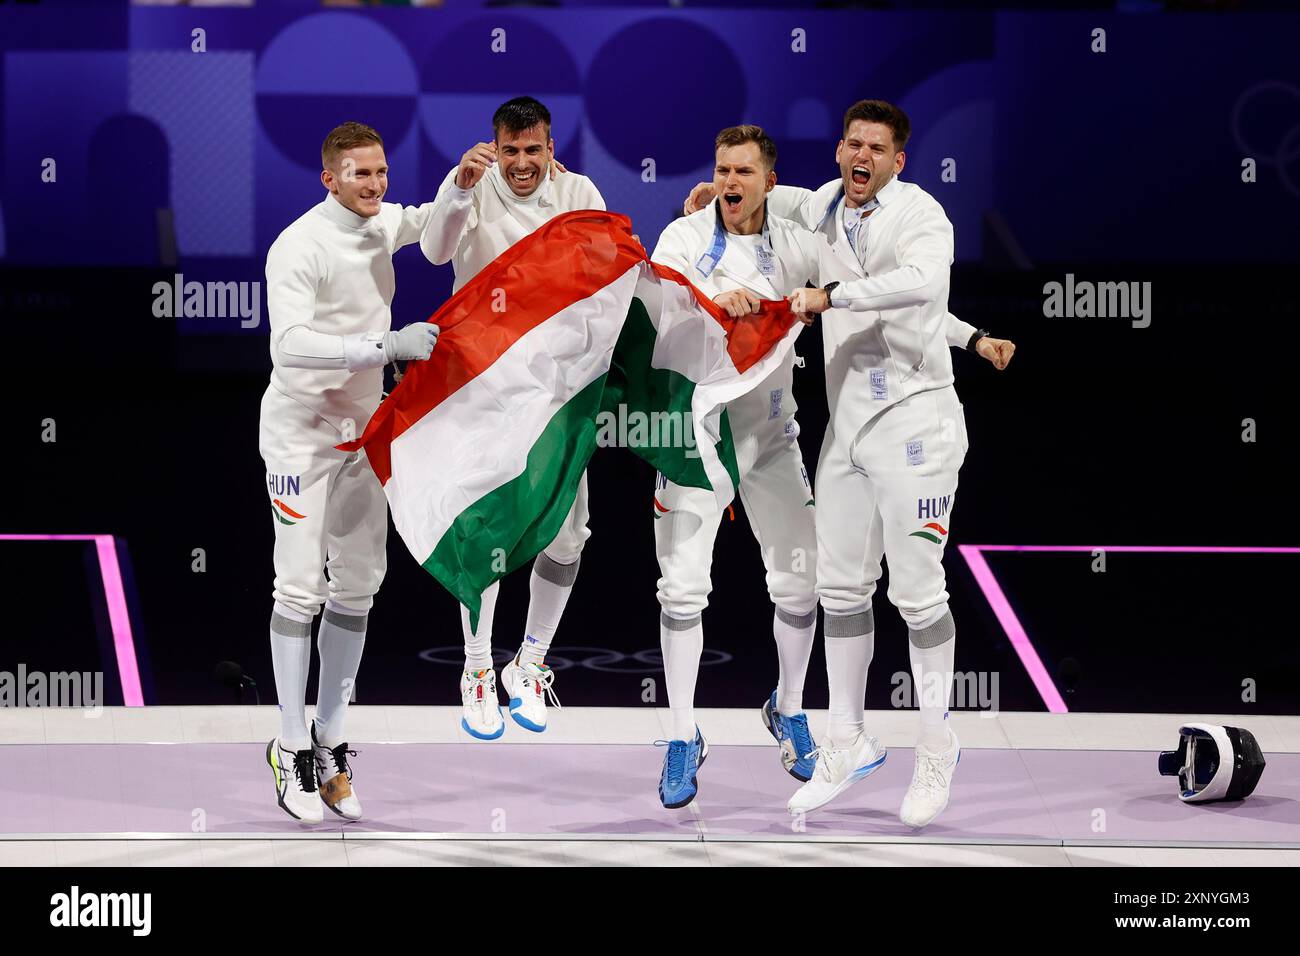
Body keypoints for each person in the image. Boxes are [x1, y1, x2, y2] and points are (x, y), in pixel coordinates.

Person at [779, 99, 977, 827]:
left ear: (899, 159)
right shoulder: (824, 204)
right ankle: (846, 739)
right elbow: (768, 197)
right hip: (848, 430)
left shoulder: (924, 216)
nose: (862, 157)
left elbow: (921, 285)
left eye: (878, 149)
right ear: (839, 151)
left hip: (918, 427)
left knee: (919, 595)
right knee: (839, 588)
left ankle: (935, 745)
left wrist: (831, 295)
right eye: (853, 145)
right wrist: (716, 202)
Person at [261, 121, 440, 823]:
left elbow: (431, 224)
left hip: (363, 434)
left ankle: (331, 743)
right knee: (300, 587)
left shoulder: (382, 220)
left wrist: (469, 183)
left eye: (382, 172)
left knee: (360, 584)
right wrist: (386, 344)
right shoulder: (298, 245)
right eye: (360, 175)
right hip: (301, 439)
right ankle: (288, 745)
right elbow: (292, 343)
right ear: (329, 177)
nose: (376, 185)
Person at [648, 125, 827, 809]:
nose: (730, 182)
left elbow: (842, 212)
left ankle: (788, 706)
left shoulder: (797, 242)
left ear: (769, 182)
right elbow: (659, 314)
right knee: (682, 590)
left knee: (801, 583)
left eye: (745, 172)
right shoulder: (685, 239)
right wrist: (709, 304)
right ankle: (681, 735)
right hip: (693, 436)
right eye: (722, 169)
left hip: (771, 433)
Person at [420, 96, 605, 740]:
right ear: (493, 148)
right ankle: (475, 670)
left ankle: (527, 665)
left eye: (534, 151)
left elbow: (604, 276)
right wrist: (456, 188)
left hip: (555, 389)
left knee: (568, 532)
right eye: (511, 151)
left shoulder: (579, 190)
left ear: (550, 148)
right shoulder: (470, 187)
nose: (522, 163)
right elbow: (436, 252)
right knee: (488, 526)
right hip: (484, 385)